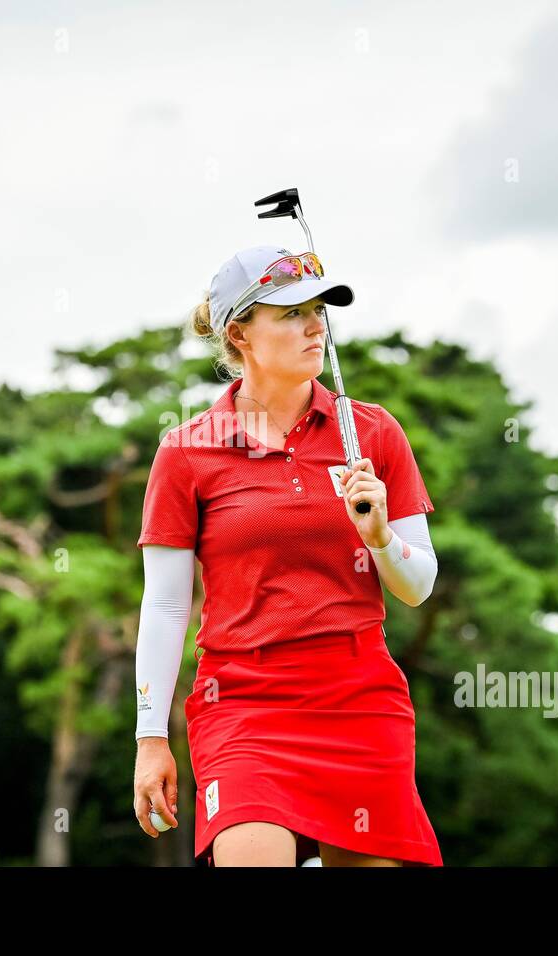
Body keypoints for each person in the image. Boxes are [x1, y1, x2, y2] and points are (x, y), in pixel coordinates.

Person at [132, 245, 444, 867]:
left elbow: (417, 588)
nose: (315, 326)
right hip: (244, 704)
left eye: (319, 310)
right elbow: (166, 607)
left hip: (359, 699)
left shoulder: (374, 433)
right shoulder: (188, 450)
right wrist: (149, 738)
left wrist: (381, 536)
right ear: (238, 333)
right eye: (290, 312)